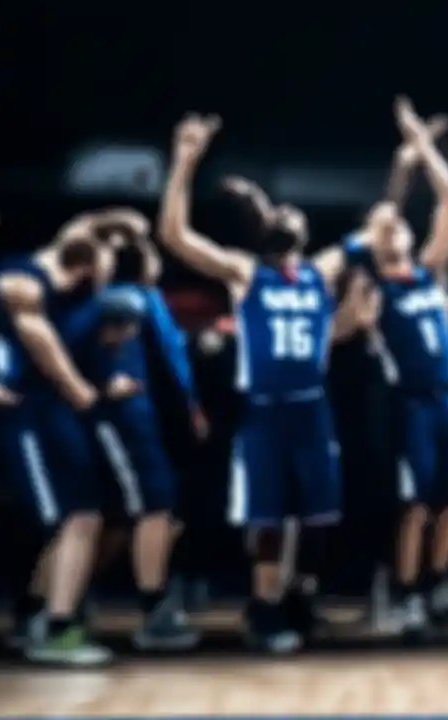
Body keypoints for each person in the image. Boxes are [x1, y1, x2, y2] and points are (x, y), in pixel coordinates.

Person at [159, 114, 344, 653]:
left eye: (290, 212)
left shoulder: (322, 270)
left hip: (314, 409)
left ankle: (299, 601)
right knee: (266, 518)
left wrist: (406, 169)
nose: (284, 216)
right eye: (273, 214)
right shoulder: (245, 272)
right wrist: (185, 162)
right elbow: (174, 235)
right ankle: (263, 611)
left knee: (316, 518)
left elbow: (384, 227)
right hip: (264, 411)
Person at [332, 95, 448, 640]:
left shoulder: (428, 272)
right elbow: (337, 333)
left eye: (397, 227)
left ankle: (436, 582)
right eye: (383, 228)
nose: (395, 230)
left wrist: (422, 147)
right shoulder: (371, 283)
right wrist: (356, 321)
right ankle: (407, 593)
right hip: (408, 403)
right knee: (415, 506)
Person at [0, 207, 139, 665]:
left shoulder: (70, 294)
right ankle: (55, 630)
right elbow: (41, 345)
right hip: (24, 415)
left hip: (52, 415)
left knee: (86, 516)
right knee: (75, 517)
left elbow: (87, 227)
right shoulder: (22, 280)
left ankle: (41, 614)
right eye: (106, 261)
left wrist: (123, 225)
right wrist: (84, 396)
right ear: (89, 262)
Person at [89, 230, 203, 651]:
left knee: (123, 519)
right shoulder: (133, 300)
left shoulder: (119, 299)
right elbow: (171, 368)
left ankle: (63, 600)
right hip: (129, 422)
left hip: (139, 422)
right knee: (155, 509)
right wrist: (192, 414)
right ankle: (154, 612)